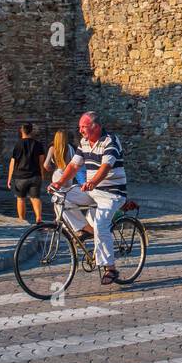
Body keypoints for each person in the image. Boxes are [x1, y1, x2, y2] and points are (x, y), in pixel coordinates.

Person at [49, 112, 126, 285]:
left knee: (101, 224)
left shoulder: (110, 141)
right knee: (60, 197)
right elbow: (74, 165)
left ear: (96, 127)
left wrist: (92, 182)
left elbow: (106, 167)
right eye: (80, 127)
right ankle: (85, 229)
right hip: (91, 191)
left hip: (111, 193)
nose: (81, 130)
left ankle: (110, 269)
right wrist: (59, 183)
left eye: (84, 127)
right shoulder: (83, 143)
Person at [7, 123, 47, 223]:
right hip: (35, 176)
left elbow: (13, 162)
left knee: (20, 199)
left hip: (20, 176)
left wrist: (9, 178)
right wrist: (42, 174)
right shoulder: (38, 144)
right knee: (35, 197)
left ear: (21, 131)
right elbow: (41, 161)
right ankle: (38, 217)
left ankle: (22, 220)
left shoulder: (18, 144)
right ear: (31, 131)